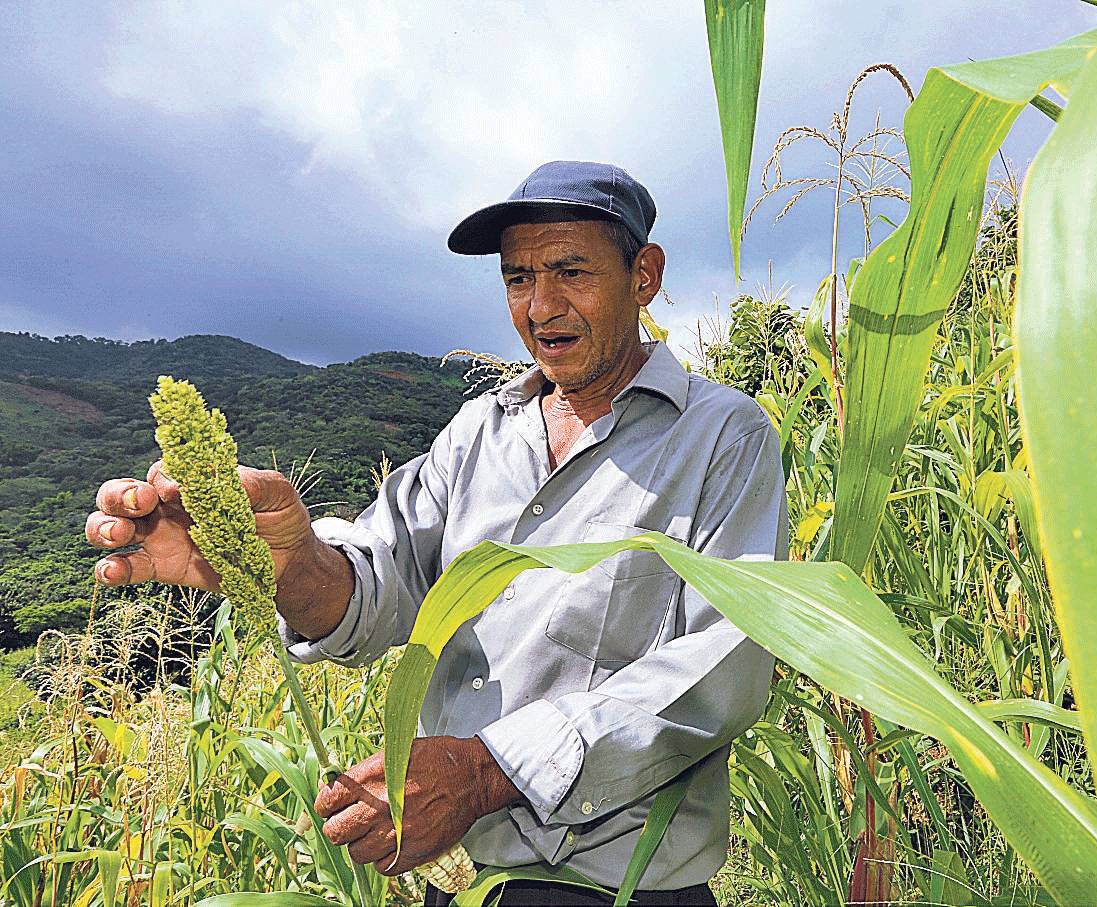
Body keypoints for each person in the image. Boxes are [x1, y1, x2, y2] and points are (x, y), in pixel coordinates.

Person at [86, 161, 787, 906]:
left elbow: (724, 668)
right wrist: (288, 566)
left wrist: (484, 771)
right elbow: (379, 584)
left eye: (570, 270)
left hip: (616, 886)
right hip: (458, 881)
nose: (541, 306)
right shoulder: (478, 432)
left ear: (644, 274)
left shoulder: (721, 436)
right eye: (518, 278)